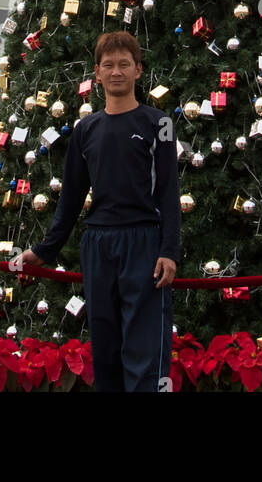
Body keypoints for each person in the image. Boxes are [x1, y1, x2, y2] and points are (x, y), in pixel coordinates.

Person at [16, 30, 181, 393]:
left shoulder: (159, 124)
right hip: (98, 246)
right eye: (109, 65)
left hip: (144, 244)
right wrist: (45, 250)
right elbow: (71, 197)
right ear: (97, 73)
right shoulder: (85, 130)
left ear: (138, 70)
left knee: (144, 349)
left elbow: (169, 191)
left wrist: (169, 250)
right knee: (105, 349)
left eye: (124, 64)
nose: (116, 71)